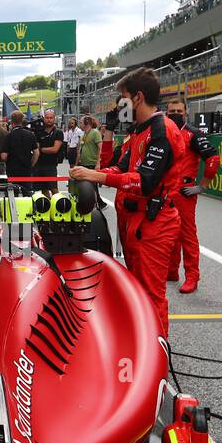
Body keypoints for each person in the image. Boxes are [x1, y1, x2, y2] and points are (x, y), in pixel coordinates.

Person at [70, 68, 180, 337]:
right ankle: (139, 343)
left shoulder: (161, 130)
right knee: (136, 292)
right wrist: (94, 174)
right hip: (133, 222)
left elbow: (145, 182)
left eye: (123, 98)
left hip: (154, 223)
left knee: (151, 296)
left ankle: (158, 365)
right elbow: (118, 168)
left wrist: (96, 175)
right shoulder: (137, 131)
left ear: (138, 98)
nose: (119, 105)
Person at [164, 99, 221, 294]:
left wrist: (201, 187)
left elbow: (213, 159)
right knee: (168, 233)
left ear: (186, 112)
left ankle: (192, 276)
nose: (175, 113)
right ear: (166, 111)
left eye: (179, 110)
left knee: (187, 235)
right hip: (165, 190)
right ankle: (171, 271)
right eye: (172, 110)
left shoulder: (194, 134)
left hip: (184, 192)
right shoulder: (162, 131)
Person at [3, 110, 40, 196]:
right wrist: (31, 164)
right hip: (26, 169)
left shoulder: (9, 136)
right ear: (22, 120)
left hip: (12, 170)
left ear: (11, 122)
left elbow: (4, 156)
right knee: (27, 195)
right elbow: (37, 153)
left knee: (12, 196)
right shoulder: (30, 134)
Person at [69, 114, 103, 202]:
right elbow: (80, 149)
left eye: (81, 122)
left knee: (92, 185)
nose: (79, 124)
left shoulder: (95, 133)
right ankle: (97, 202)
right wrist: (77, 163)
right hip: (84, 163)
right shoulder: (84, 134)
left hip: (91, 163)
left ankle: (98, 202)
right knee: (86, 185)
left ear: (86, 123)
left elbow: (100, 147)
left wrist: (98, 163)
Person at [36, 109, 65, 193]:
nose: (49, 119)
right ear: (44, 118)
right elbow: (36, 148)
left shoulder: (58, 132)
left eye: (51, 118)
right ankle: (47, 206)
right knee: (43, 189)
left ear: (54, 118)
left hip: (51, 165)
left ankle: (58, 205)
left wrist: (41, 149)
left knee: (53, 189)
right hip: (40, 164)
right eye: (47, 117)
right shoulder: (39, 132)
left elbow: (54, 149)